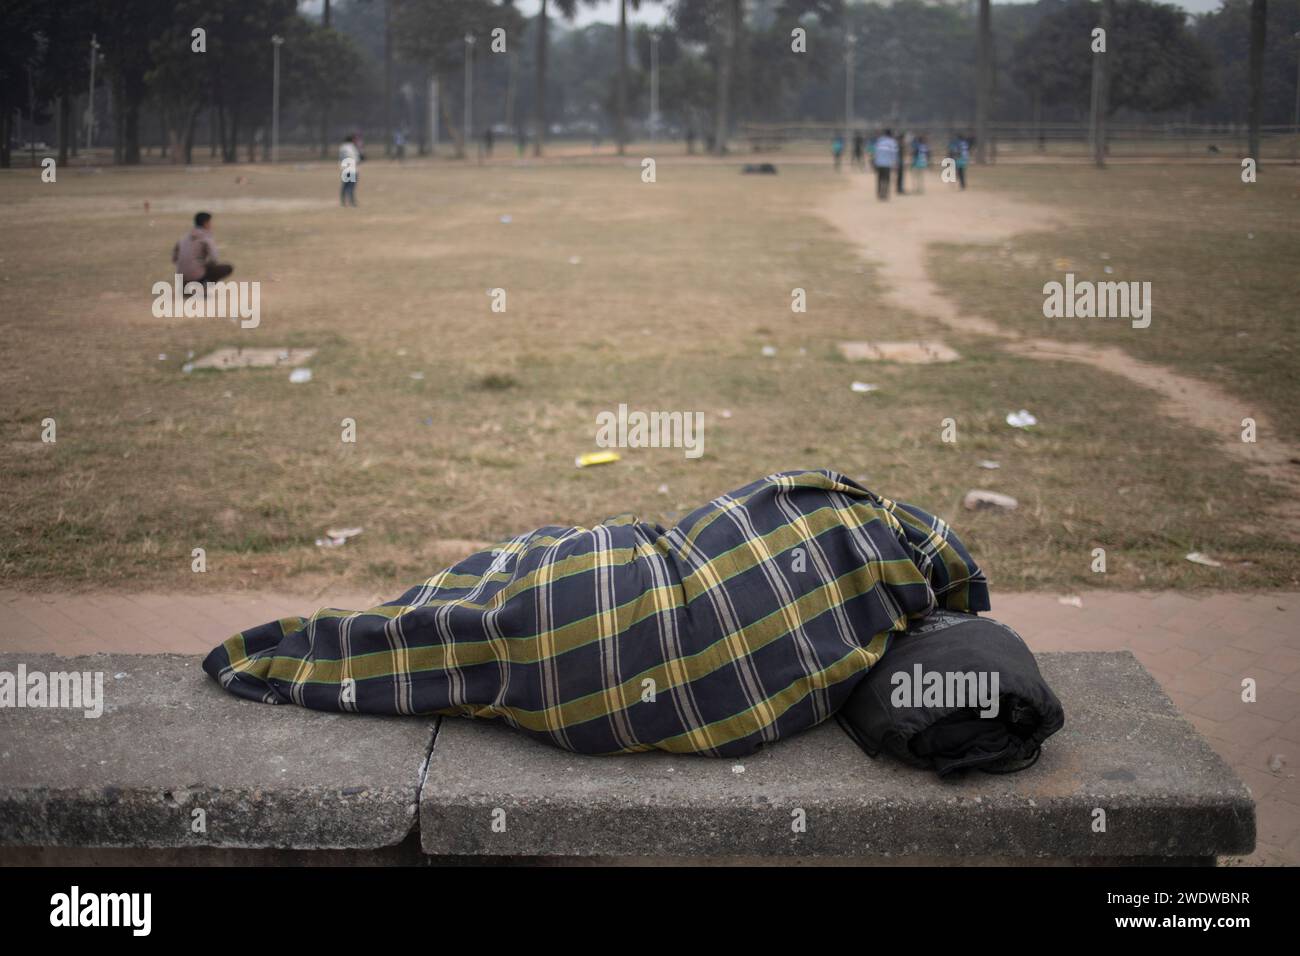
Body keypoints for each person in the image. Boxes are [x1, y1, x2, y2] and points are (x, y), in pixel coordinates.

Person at [202, 469, 988, 757]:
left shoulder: (821, 497)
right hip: (588, 705)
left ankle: (304, 651)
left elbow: (718, 523)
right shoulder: (862, 637)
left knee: (449, 614)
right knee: (476, 658)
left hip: (592, 582)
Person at [172, 212, 232, 289]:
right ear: (206, 223)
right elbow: (214, 258)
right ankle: (202, 287)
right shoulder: (206, 236)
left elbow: (174, 259)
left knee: (196, 268)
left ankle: (186, 288)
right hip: (196, 277)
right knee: (227, 268)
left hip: (181, 279)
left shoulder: (184, 237)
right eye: (210, 222)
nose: (211, 225)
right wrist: (204, 265)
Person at [872, 128, 898, 200]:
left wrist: (875, 162)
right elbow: (894, 153)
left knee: (880, 179)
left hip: (879, 163)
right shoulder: (892, 142)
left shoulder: (879, 140)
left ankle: (879, 193)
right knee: (886, 179)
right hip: (887, 164)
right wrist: (895, 163)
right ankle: (885, 194)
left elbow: (875, 152)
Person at [339, 133, 361, 206]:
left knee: (345, 185)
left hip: (345, 168)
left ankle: (343, 201)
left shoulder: (342, 147)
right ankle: (351, 201)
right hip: (352, 167)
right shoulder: (352, 147)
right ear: (352, 140)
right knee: (351, 186)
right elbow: (356, 158)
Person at [895, 130, 907, 195]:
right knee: (900, 176)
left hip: (899, 162)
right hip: (899, 162)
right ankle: (899, 188)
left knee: (899, 177)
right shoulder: (900, 145)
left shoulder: (898, 144)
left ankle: (899, 188)